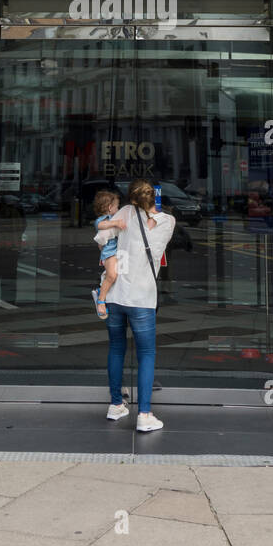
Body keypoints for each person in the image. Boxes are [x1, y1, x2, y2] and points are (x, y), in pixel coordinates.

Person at [97, 179, 175, 433]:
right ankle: (144, 413)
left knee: (116, 349)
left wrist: (111, 254)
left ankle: (116, 405)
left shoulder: (125, 213)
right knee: (146, 354)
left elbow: (102, 236)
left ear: (131, 199)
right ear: (155, 198)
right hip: (142, 299)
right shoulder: (168, 221)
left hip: (115, 295)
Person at [90, 187, 121, 319]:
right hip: (110, 253)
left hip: (115, 252)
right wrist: (116, 223)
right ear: (109, 207)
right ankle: (101, 299)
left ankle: (101, 291)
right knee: (112, 276)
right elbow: (99, 225)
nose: (118, 209)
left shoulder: (112, 217)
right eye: (117, 207)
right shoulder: (104, 219)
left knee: (114, 276)